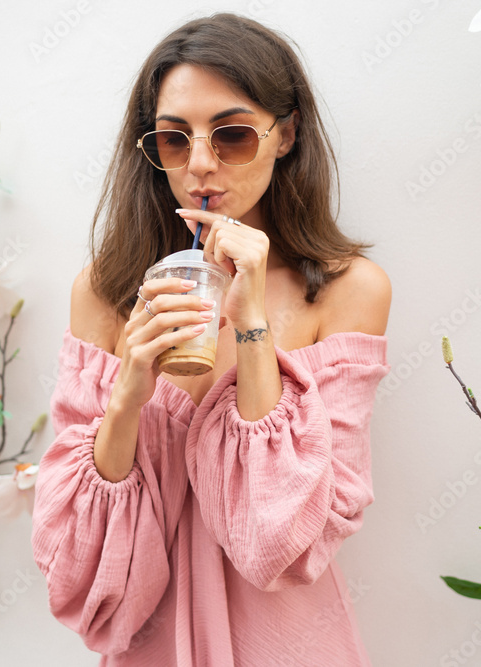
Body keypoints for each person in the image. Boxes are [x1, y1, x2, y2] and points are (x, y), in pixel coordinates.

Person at [31, 12, 391, 666]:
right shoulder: (107, 292)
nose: (201, 163)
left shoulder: (347, 291)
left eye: (230, 135)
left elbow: (285, 540)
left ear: (285, 134)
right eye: (175, 139)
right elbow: (73, 569)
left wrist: (252, 325)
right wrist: (125, 399)